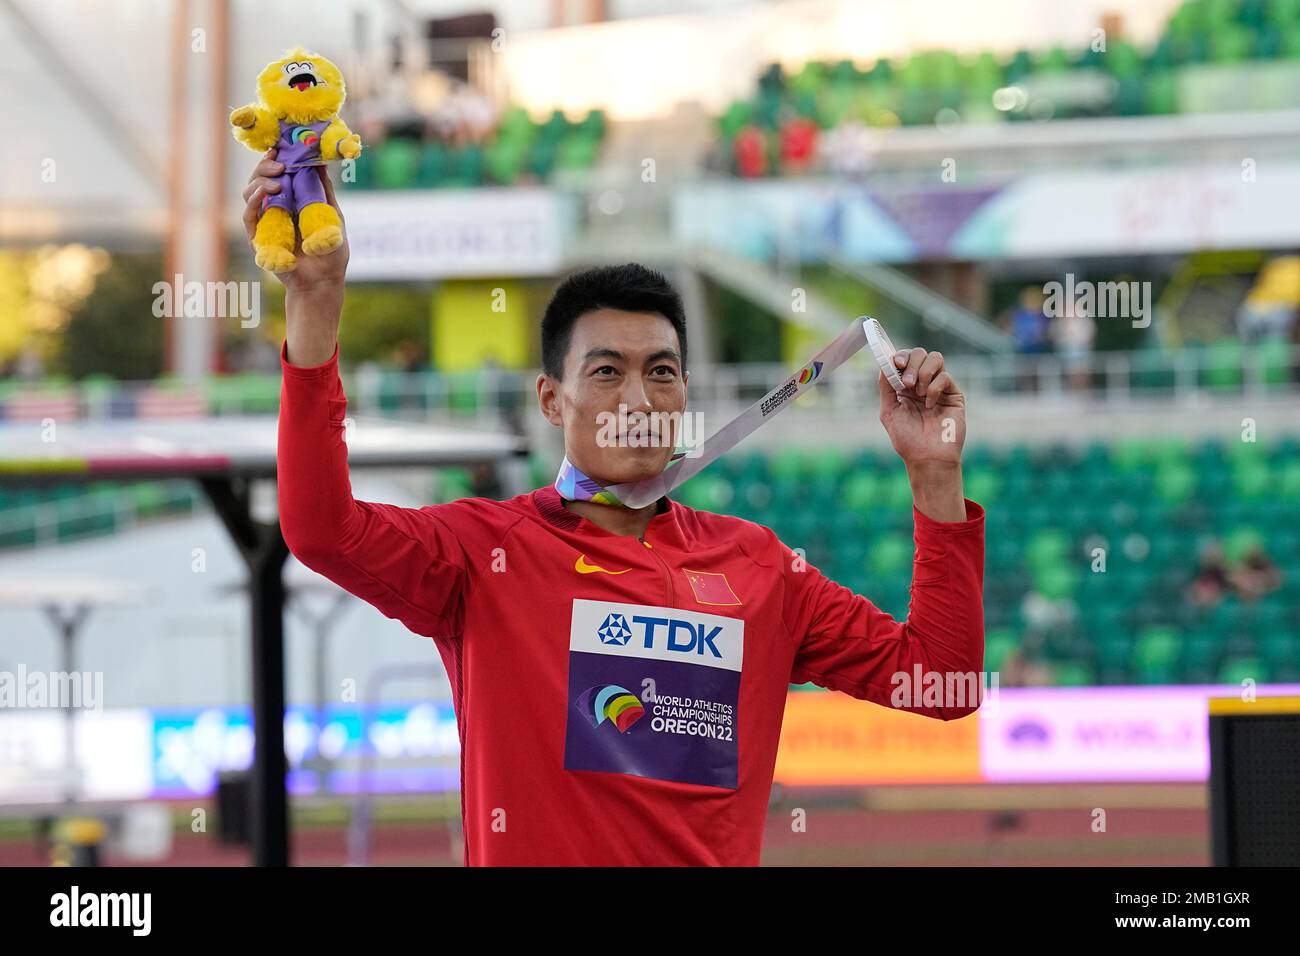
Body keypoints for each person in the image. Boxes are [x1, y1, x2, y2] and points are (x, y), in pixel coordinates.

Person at [247, 152, 985, 866]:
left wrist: (932, 472)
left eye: (660, 373)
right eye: (606, 372)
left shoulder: (760, 566)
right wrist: (315, 300)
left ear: (684, 395)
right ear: (551, 399)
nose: (637, 400)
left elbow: (942, 679)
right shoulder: (483, 553)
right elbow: (321, 529)